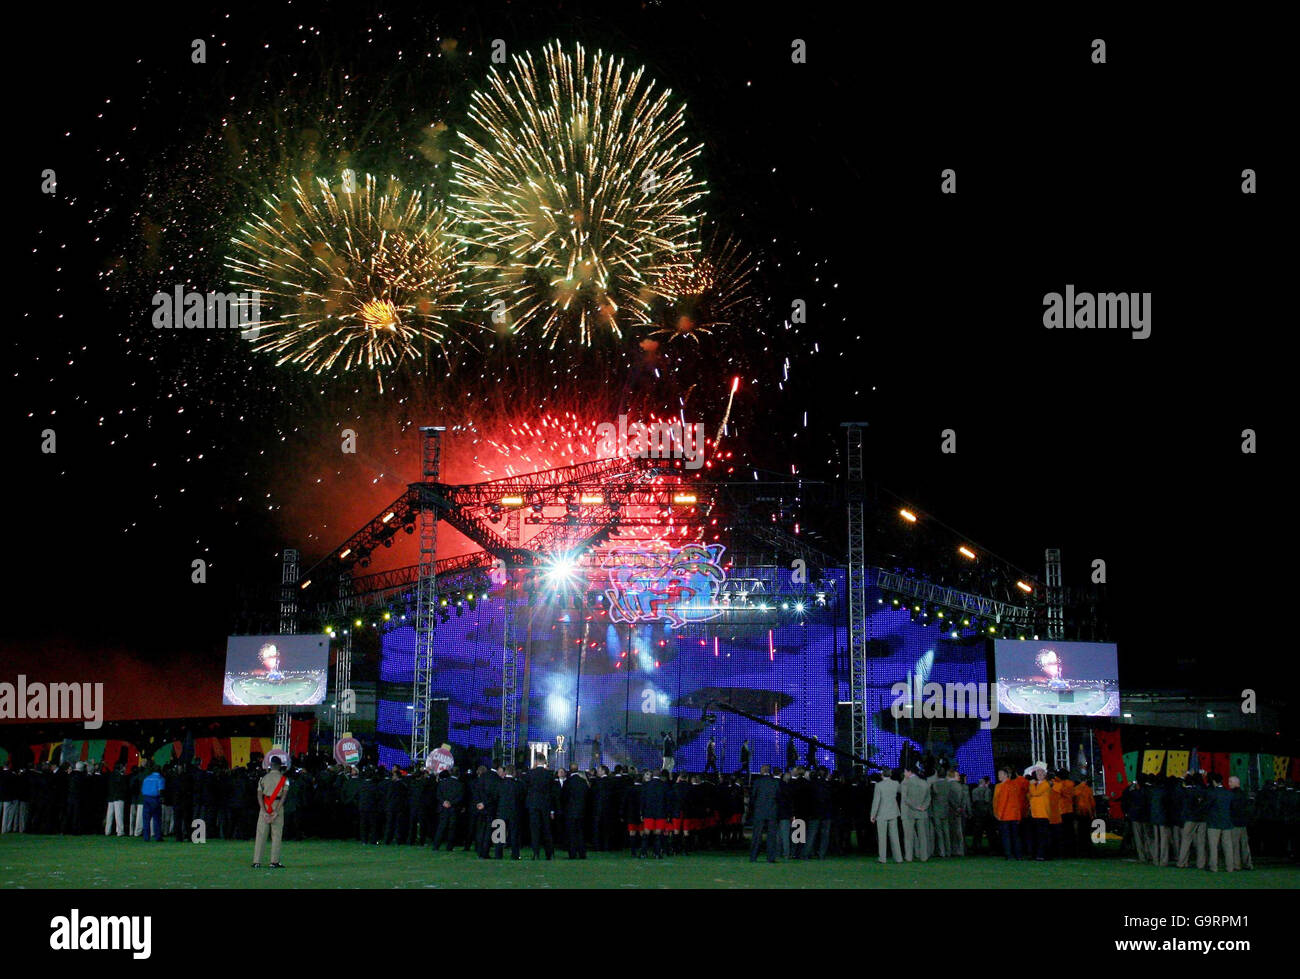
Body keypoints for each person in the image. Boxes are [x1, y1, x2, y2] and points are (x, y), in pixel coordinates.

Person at [252, 757, 289, 869]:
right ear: (280, 766)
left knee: (261, 835)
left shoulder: (263, 778)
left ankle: (257, 861)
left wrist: (263, 811)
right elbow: (284, 796)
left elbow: (259, 795)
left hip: (265, 805)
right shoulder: (284, 779)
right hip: (277, 805)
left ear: (271, 765)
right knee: (276, 835)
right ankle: (274, 862)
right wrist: (276, 811)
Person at [869, 767, 903, 863]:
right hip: (893, 812)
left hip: (881, 813)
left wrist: (873, 815)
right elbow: (902, 791)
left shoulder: (879, 785)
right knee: (894, 836)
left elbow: (876, 801)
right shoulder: (895, 783)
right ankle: (898, 858)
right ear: (890, 774)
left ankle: (882, 858)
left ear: (882, 775)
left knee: (882, 837)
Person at [1205, 773, 1236, 872]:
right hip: (1227, 822)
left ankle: (1214, 867)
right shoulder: (1229, 793)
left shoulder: (1212, 793)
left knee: (1213, 847)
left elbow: (1206, 806)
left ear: (1214, 781)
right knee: (1228, 847)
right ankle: (1230, 867)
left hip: (1214, 823)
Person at [748, 764, 780, 863]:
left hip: (759, 812)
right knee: (771, 836)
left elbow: (753, 797)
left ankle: (753, 857)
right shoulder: (775, 782)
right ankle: (770, 857)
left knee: (757, 835)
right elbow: (778, 797)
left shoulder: (757, 782)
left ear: (762, 770)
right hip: (772, 811)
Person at [1176, 772, 1208, 869]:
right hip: (1202, 818)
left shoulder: (1188, 791)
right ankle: (1200, 864)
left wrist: (1182, 778)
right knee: (1201, 842)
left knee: (1186, 840)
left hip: (1190, 818)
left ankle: (1182, 862)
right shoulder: (1204, 790)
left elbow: (1178, 789)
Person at [525, 760, 556, 860]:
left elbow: (526, 788)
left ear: (536, 762)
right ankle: (549, 854)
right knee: (547, 830)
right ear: (545, 762)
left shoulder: (530, 773)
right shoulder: (549, 774)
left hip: (533, 805)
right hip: (546, 805)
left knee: (535, 830)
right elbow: (552, 793)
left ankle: (536, 853)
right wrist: (552, 809)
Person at [899, 767, 930, 862]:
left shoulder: (906, 783)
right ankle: (924, 856)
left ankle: (909, 856)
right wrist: (924, 807)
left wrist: (915, 806)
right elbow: (928, 797)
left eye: (905, 771)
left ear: (909, 771)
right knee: (923, 836)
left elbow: (905, 798)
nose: (904, 774)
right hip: (922, 812)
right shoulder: (924, 782)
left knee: (909, 836)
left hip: (910, 812)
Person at [993, 768, 1023, 859]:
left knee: (1006, 836)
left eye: (1000, 774)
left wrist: (998, 814)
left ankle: (1009, 854)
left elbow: (1002, 801)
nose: (999, 776)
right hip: (1014, 815)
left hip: (1005, 815)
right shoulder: (1014, 785)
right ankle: (1018, 855)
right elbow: (1018, 801)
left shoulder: (1003, 786)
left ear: (1005, 775)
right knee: (1015, 836)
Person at [561, 767, 589, 859]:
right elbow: (587, 795)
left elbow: (563, 797)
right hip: (582, 811)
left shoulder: (567, 782)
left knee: (571, 833)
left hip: (570, 811)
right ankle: (582, 853)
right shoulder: (583, 782)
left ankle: (572, 853)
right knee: (581, 832)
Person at [1228, 775, 1253, 870]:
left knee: (1235, 845)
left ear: (1235, 783)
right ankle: (1248, 863)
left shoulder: (1231, 795)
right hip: (1243, 823)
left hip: (1234, 823)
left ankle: (1236, 865)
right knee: (1245, 845)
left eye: (1230, 782)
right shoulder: (1244, 794)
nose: (1229, 783)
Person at [140, 765, 165, 842]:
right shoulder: (160, 778)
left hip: (146, 798)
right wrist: (162, 798)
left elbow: (142, 790)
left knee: (146, 819)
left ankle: (146, 837)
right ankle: (157, 836)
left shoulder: (146, 778)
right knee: (156, 819)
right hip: (155, 799)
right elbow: (161, 790)